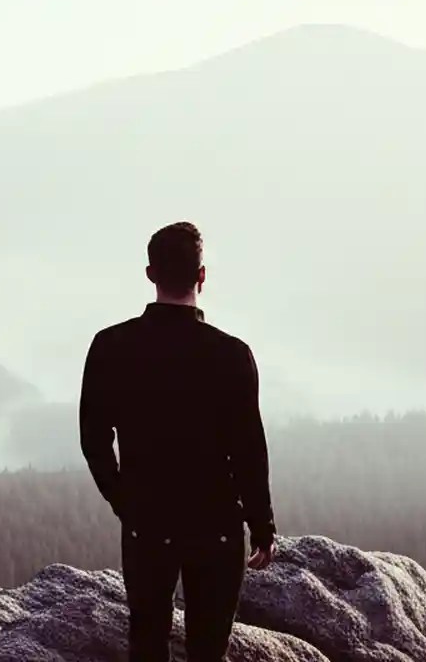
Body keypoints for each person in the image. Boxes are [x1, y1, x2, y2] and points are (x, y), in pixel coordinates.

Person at [79, 221, 277, 662]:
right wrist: (261, 524)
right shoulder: (231, 354)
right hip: (217, 526)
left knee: (147, 645)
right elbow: (249, 449)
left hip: (146, 522)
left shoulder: (111, 346)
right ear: (201, 276)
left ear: (151, 274)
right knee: (209, 651)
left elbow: (93, 439)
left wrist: (123, 500)